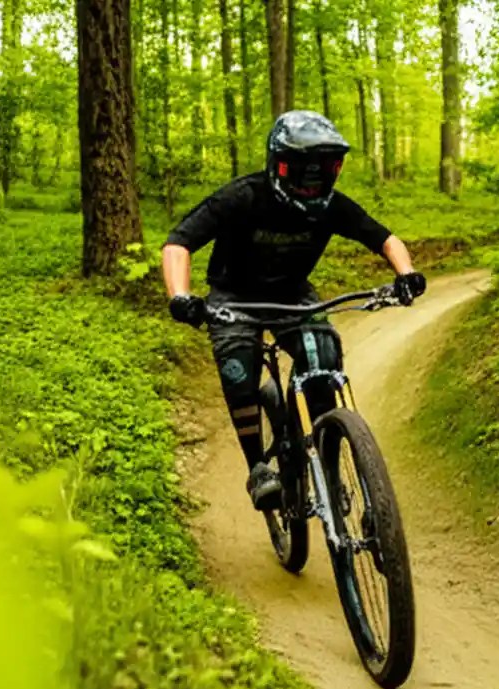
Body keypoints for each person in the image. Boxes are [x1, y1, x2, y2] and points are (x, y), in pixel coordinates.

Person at [161, 110, 426, 511]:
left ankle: (329, 458)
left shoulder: (333, 206)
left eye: (323, 169)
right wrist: (180, 296)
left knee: (324, 357)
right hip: (233, 298)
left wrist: (406, 272)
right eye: (302, 169)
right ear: (280, 165)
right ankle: (259, 469)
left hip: (293, 295)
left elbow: (384, 237)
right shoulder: (243, 196)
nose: (312, 179)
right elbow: (178, 243)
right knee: (238, 369)